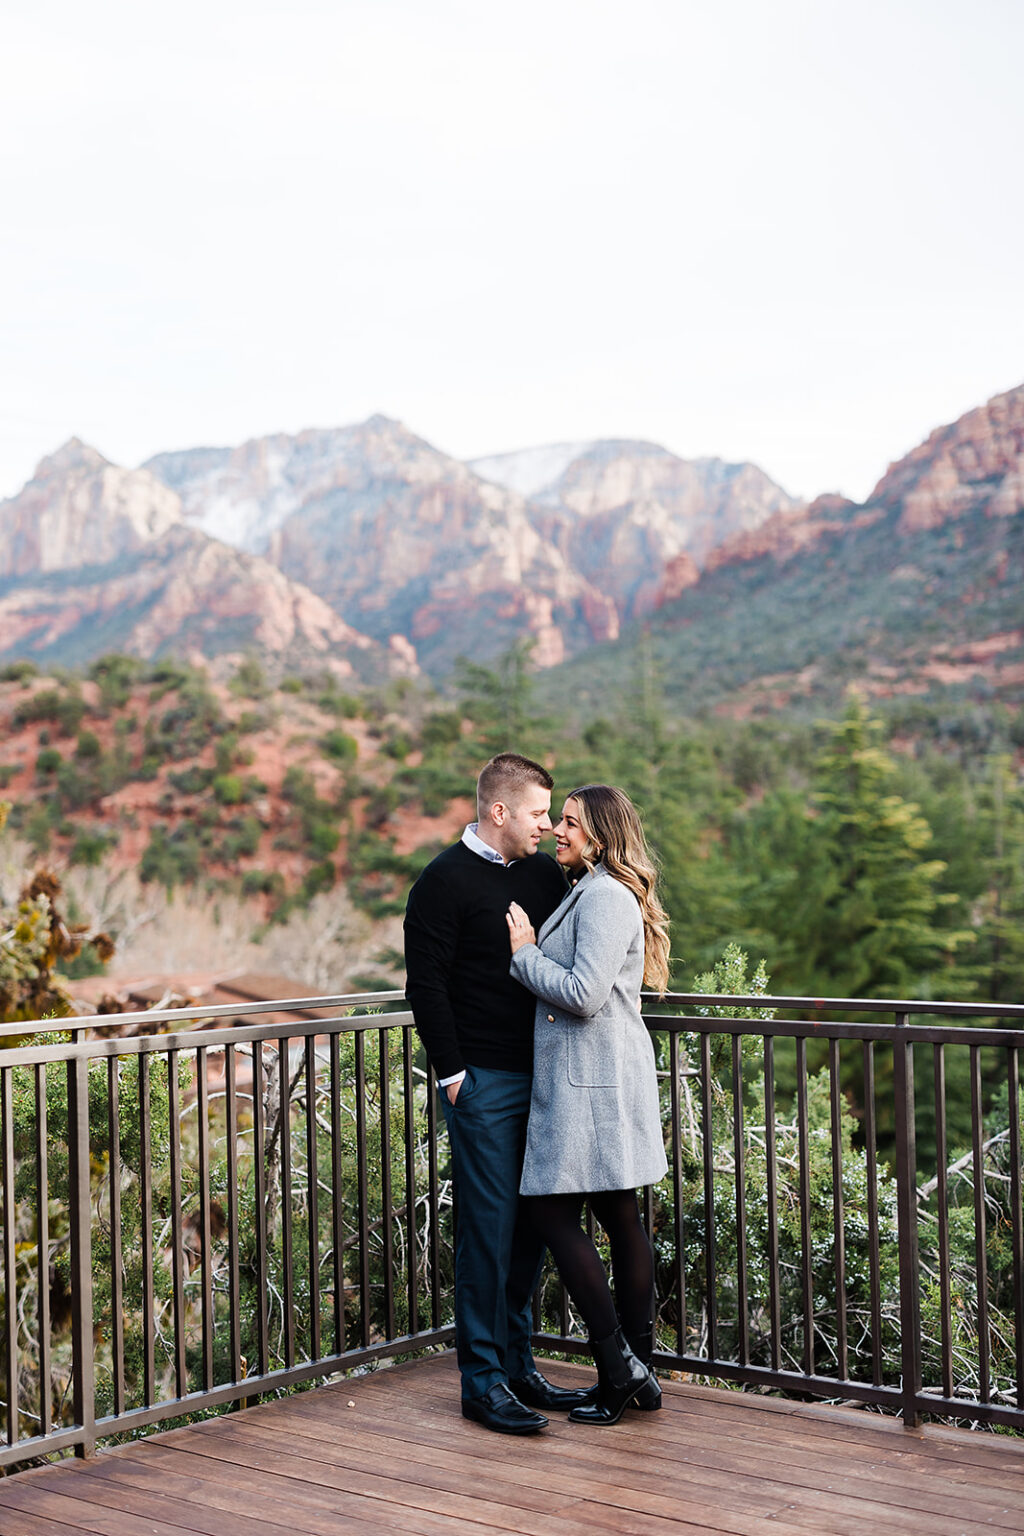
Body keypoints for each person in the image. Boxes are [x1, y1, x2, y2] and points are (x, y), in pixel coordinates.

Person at [404, 752, 595, 1435]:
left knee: (532, 1233)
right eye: (539, 814)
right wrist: (454, 1075)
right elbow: (424, 985)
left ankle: (518, 1367)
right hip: (482, 1084)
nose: (546, 826)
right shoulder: (441, 882)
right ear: (500, 812)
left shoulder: (546, 875)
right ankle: (481, 1383)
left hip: (548, 1081)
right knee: (486, 1233)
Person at [506, 782, 670, 1426]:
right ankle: (635, 1373)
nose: (557, 832)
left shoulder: (603, 896)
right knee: (619, 1217)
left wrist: (523, 956)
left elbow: (582, 993)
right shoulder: (595, 889)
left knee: (549, 1214)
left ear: (600, 835)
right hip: (597, 1081)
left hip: (590, 1084)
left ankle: (620, 1367)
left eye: (570, 823)